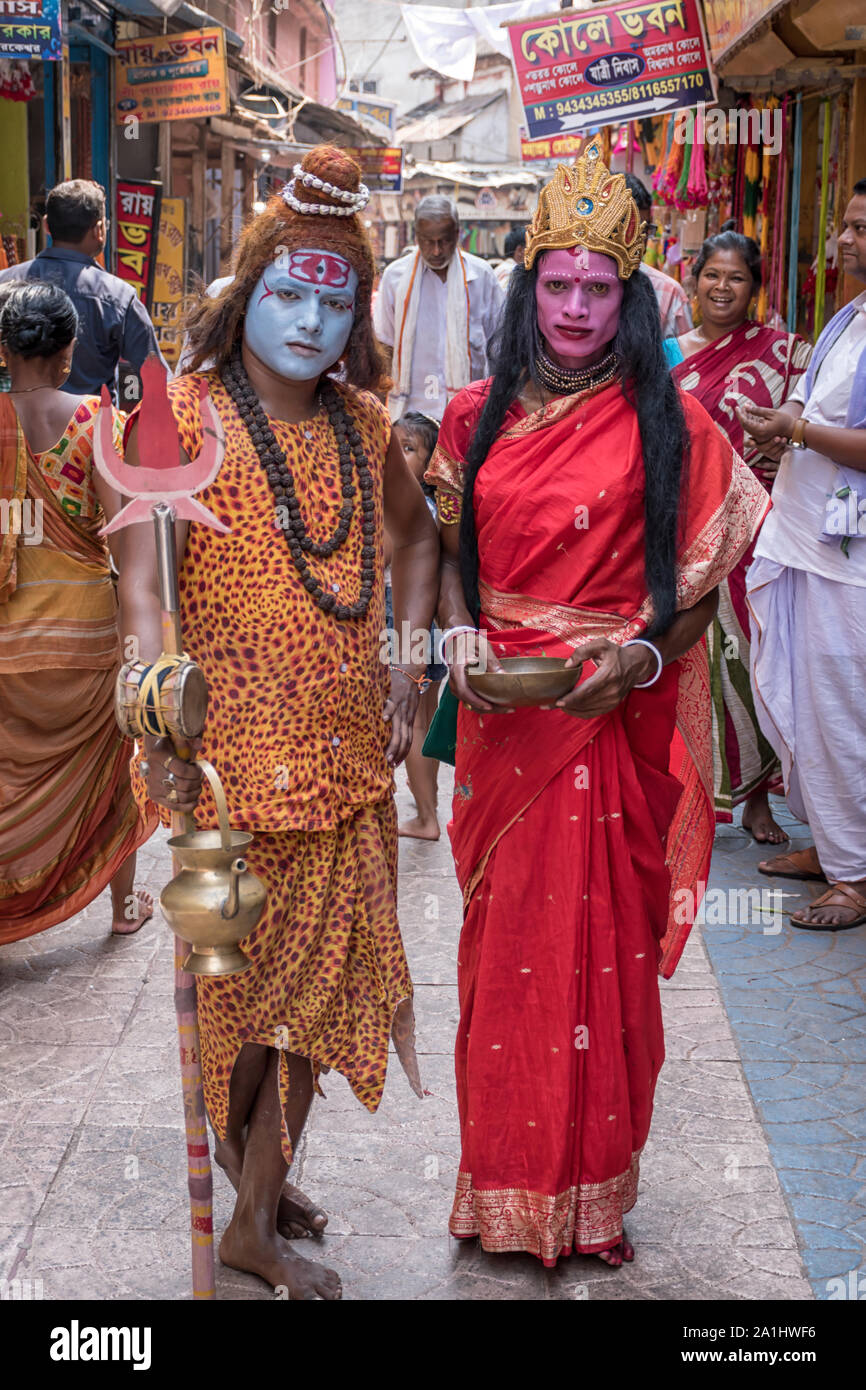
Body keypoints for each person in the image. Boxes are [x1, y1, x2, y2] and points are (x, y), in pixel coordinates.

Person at [425, 143, 770, 1266]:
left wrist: (637, 659)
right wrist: (453, 639)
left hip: (608, 716)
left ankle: (589, 1198)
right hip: (500, 722)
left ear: (626, 297)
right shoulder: (472, 415)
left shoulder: (670, 422)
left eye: (597, 287)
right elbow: (440, 564)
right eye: (557, 283)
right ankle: (499, 1188)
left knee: (599, 962)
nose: (574, 308)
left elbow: (696, 591)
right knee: (501, 961)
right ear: (529, 287)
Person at [119, 147, 439, 1299]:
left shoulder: (361, 425)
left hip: (350, 761)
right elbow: (143, 591)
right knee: (246, 1001)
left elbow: (414, 543)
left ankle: (254, 1207)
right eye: (287, 293)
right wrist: (154, 698)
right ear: (246, 290)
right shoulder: (180, 420)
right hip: (224, 770)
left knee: (317, 996)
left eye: (334, 299)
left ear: (358, 314)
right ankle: (258, 1182)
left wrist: (410, 660)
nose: (309, 320)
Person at [0, 282, 156, 944]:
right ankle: (121, 910)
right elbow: (132, 553)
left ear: (5, 352)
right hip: (88, 638)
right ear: (68, 354)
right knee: (115, 776)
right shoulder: (99, 427)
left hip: (8, 639)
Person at [740, 178, 866, 930]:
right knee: (791, 693)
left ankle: (856, 875)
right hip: (806, 535)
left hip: (848, 554)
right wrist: (783, 415)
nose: (847, 239)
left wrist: (796, 433)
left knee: (841, 710)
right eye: (846, 224)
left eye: (862, 228)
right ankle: (831, 841)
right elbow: (816, 406)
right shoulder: (848, 316)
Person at [663, 232, 812, 841]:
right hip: (688, 528)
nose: (722, 289)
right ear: (693, 279)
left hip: (763, 532)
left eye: (737, 279)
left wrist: (789, 441)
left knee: (756, 659)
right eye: (712, 276)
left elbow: (815, 424)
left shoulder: (786, 354)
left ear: (757, 287)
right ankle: (686, 791)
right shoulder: (667, 353)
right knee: (693, 660)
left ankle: (755, 799)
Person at [0, 179, 165, 400]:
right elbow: (157, 382)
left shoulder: (5, 283)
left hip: (15, 431)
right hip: (91, 430)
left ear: (47, 226)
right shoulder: (118, 297)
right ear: (98, 230)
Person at [373, 194, 505, 422]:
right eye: (427, 241)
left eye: (443, 241)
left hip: (470, 414)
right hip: (410, 414)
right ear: (416, 237)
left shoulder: (482, 277)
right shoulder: (395, 278)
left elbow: (500, 345)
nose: (436, 251)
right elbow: (385, 345)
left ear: (457, 234)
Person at [391, 412, 446, 840]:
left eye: (407, 449)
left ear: (431, 465)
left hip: (406, 628)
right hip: (433, 630)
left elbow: (382, 562)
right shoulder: (438, 506)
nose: (395, 455)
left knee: (410, 723)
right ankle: (429, 803)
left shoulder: (404, 512)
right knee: (424, 717)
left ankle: (426, 816)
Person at [623, 173, 693, 339]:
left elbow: (686, 362)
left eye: (644, 230)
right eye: (628, 229)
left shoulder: (669, 295)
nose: (638, 240)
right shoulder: (573, 289)